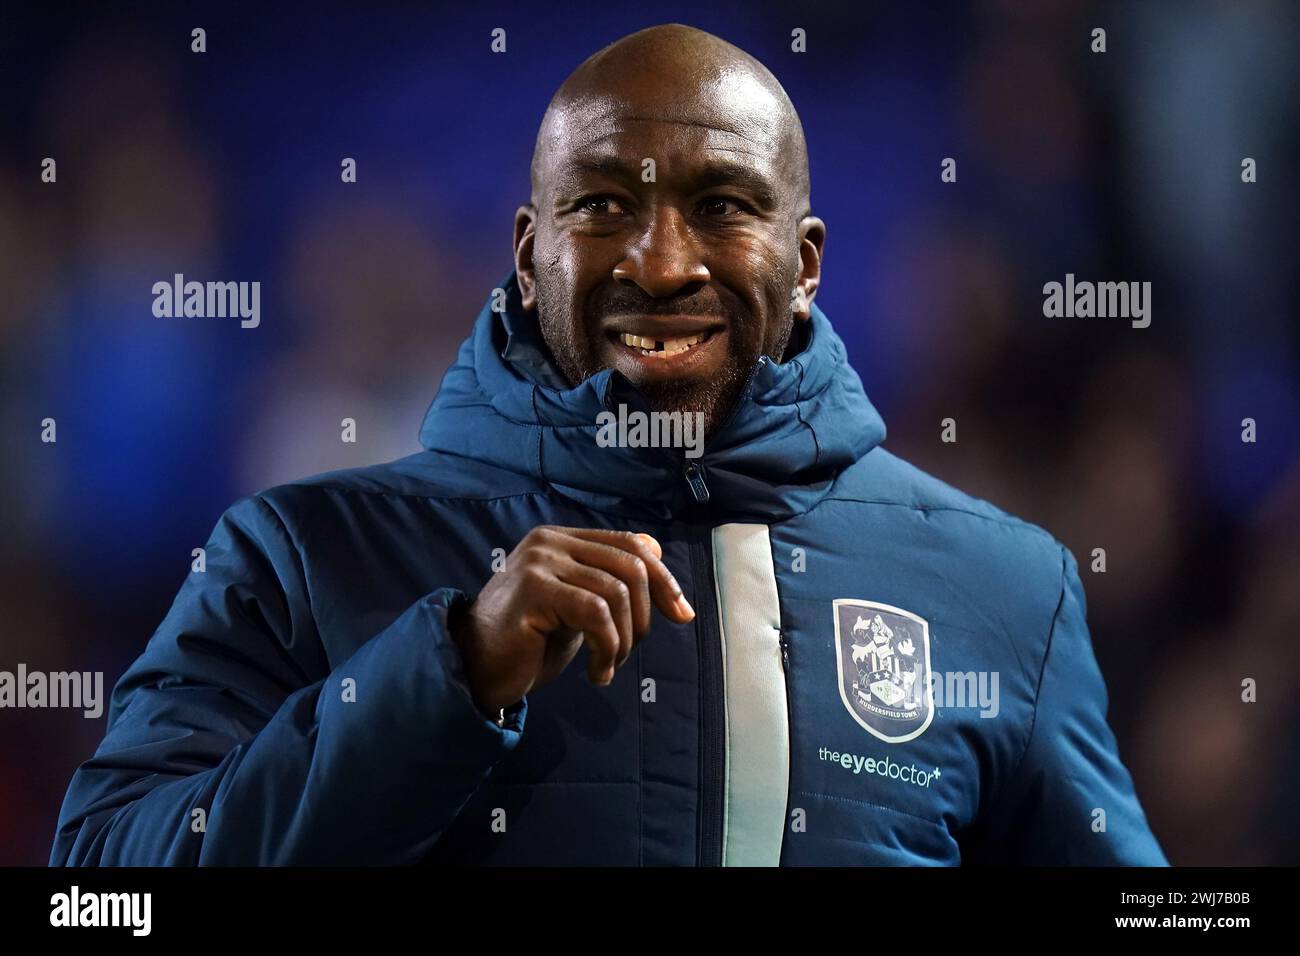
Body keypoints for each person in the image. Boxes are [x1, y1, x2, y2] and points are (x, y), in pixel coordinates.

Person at [50, 23, 1166, 866]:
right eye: (600, 208)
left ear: (806, 259)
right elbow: (99, 881)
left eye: (722, 204)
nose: (662, 262)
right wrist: (444, 672)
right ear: (529, 255)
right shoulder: (301, 553)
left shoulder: (1004, 588)